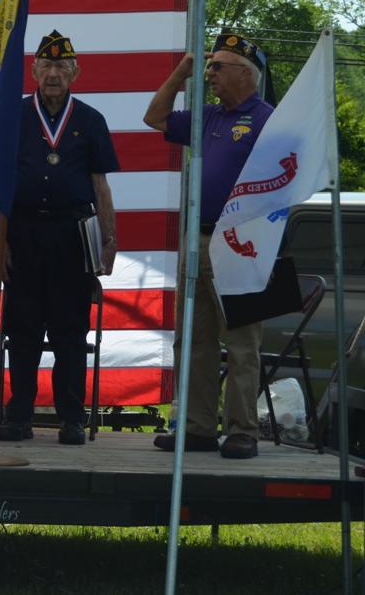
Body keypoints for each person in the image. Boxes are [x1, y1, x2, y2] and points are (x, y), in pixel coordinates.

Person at [143, 32, 273, 459]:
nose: (210, 73)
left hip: (244, 240)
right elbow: (155, 116)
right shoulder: (208, 116)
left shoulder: (268, 118)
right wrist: (181, 71)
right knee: (193, 338)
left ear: (245, 73)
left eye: (218, 66)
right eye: (209, 66)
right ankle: (198, 426)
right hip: (198, 235)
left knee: (240, 342)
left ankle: (242, 430)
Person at [0, 31, 119, 446]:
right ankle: (19, 414)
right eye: (46, 67)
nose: (53, 74)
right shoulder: (12, 116)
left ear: (75, 73)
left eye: (62, 68)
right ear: (33, 70)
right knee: (22, 328)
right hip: (24, 233)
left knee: (70, 331)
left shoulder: (90, 120)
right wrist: (1, 243)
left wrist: (109, 240)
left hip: (73, 236)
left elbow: (100, 184)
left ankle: (71, 418)